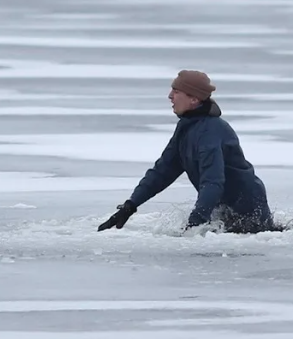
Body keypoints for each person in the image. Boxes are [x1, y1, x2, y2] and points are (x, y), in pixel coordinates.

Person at [97, 69, 281, 234]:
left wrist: (194, 224)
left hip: (247, 211)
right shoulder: (186, 128)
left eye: (176, 92)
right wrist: (130, 206)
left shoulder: (211, 131)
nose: (170, 96)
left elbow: (213, 182)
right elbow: (162, 171)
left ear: (194, 99)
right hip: (221, 209)